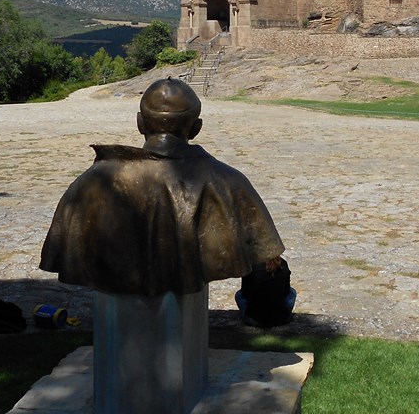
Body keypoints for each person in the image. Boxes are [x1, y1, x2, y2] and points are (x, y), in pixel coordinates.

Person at [39, 77, 284, 298]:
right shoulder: (231, 182)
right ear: (196, 128)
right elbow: (263, 247)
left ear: (139, 123)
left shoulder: (91, 182)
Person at [234, 256, 296, 328]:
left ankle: (250, 314)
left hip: (254, 319)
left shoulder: (250, 266)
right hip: (281, 319)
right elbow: (286, 292)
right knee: (292, 292)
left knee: (239, 295)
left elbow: (245, 294)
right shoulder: (283, 264)